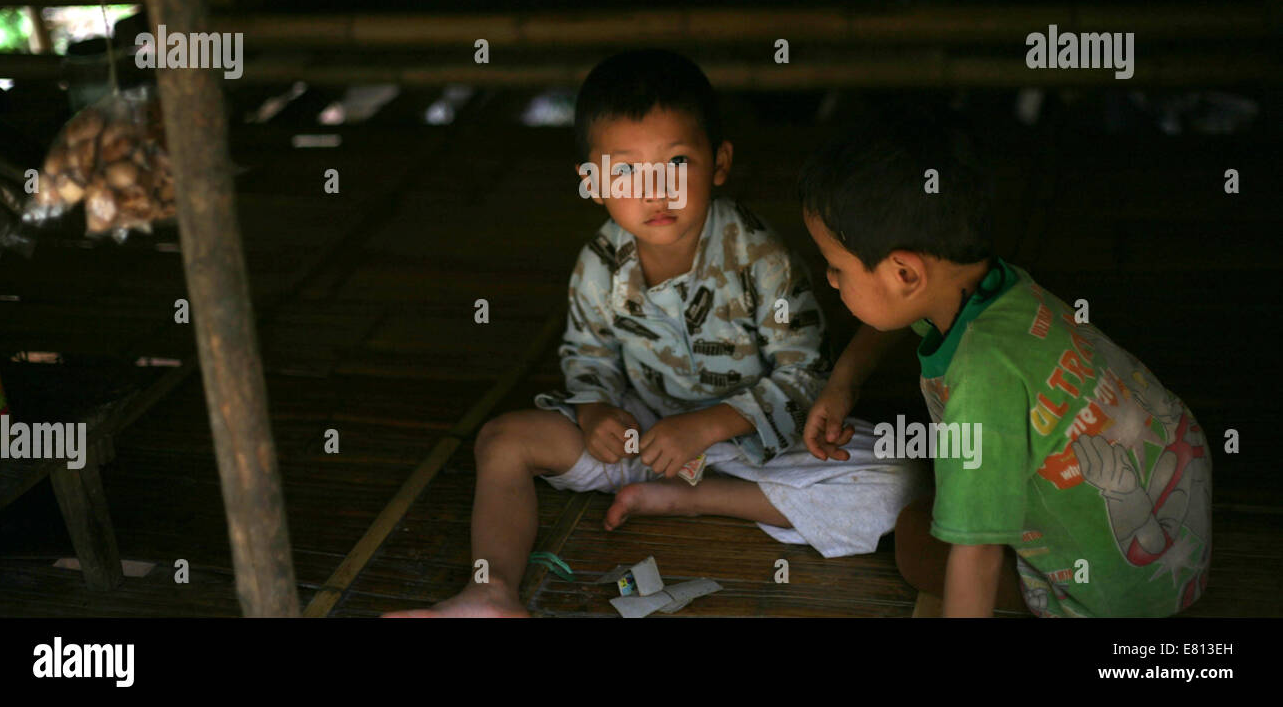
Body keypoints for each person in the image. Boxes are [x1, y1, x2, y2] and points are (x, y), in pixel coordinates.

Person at [388, 50, 925, 617]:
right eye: (625, 171)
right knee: (502, 441)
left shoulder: (760, 258)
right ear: (592, 181)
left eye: (676, 162)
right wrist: (595, 410)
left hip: (760, 440)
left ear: (719, 163)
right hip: (641, 432)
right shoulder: (601, 257)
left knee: (904, 480)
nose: (654, 190)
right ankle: (492, 590)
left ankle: (694, 499)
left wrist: (710, 426)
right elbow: (587, 351)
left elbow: (806, 374)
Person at [797, 120, 1211, 617]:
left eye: (837, 268)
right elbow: (899, 312)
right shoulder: (1000, 287)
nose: (829, 278)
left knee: (914, 539)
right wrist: (844, 383)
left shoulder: (977, 386)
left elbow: (978, 555)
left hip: (1119, 598)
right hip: (1185, 540)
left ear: (905, 272)